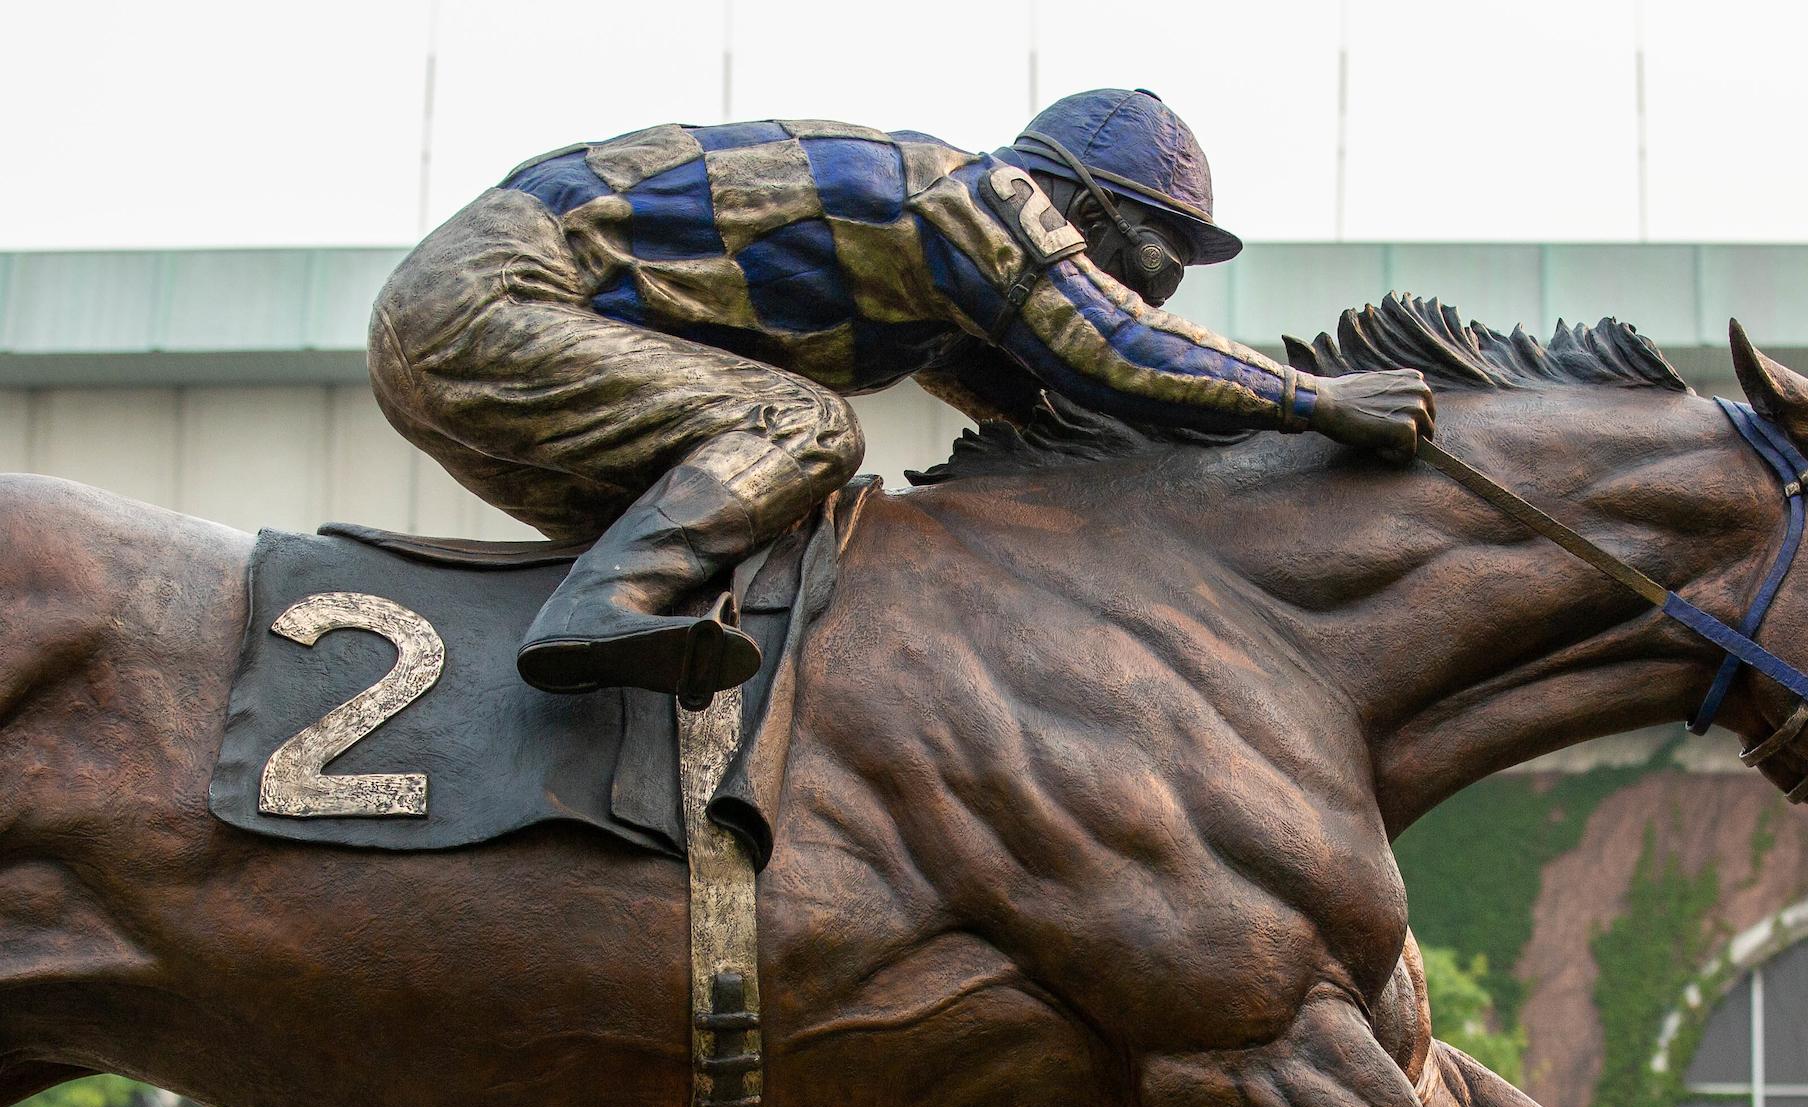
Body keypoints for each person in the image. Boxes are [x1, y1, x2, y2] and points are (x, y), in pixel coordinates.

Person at [368, 87, 1435, 704]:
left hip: (466, 319)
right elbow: (1111, 348)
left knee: (763, 548)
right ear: (1084, 203)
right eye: (1145, 255)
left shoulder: (925, 293)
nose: (1134, 281)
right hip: (495, 299)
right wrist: (1315, 401)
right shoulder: (977, 200)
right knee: (803, 428)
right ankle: (604, 612)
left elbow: (1062, 406)